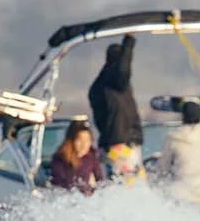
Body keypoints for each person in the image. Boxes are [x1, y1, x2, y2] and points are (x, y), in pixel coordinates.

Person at [87, 34, 143, 177]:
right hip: (121, 144)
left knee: (116, 185)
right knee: (130, 187)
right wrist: (129, 43)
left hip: (109, 144)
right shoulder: (115, 82)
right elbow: (123, 71)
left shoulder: (100, 85)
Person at [49, 120, 104, 195]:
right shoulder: (60, 158)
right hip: (66, 196)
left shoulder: (91, 156)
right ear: (72, 140)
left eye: (87, 140)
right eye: (80, 140)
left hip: (85, 197)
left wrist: (95, 192)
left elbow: (100, 181)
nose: (84, 144)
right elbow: (59, 183)